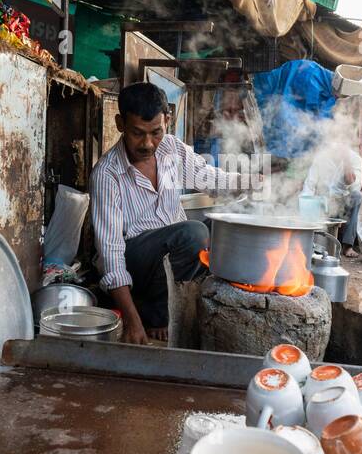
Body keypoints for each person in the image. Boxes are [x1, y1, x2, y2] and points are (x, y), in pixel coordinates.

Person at [91, 82, 251, 345]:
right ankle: (153, 313)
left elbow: (209, 178)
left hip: (169, 257)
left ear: (168, 120)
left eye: (156, 132)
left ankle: (168, 303)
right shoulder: (107, 174)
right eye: (137, 133)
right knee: (193, 233)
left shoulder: (172, 149)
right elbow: (111, 255)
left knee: (221, 230)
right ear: (120, 124)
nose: (147, 143)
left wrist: (251, 181)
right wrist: (133, 322)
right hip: (135, 261)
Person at [302, 142, 362, 255]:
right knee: (306, 198)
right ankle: (311, 240)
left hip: (342, 205)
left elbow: (355, 187)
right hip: (322, 204)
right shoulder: (321, 157)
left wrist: (347, 164)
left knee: (357, 196)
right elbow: (309, 184)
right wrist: (304, 204)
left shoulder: (355, 159)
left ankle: (347, 246)